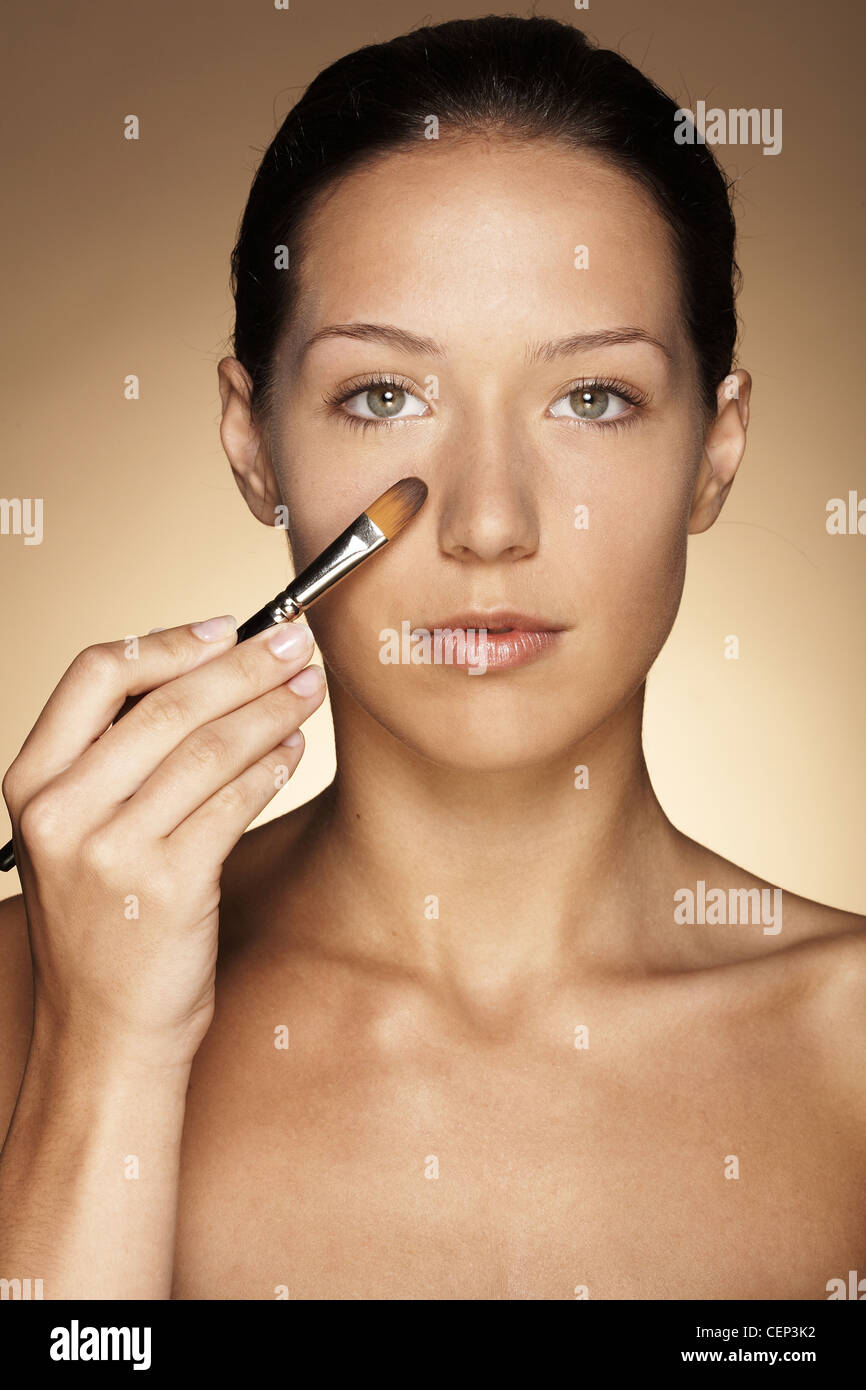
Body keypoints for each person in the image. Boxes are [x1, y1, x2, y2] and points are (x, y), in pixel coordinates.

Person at [1, 15, 863, 1301]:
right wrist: (109, 1056)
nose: (488, 523)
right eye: (383, 395)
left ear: (715, 448)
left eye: (592, 398)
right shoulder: (33, 1003)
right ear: (252, 441)